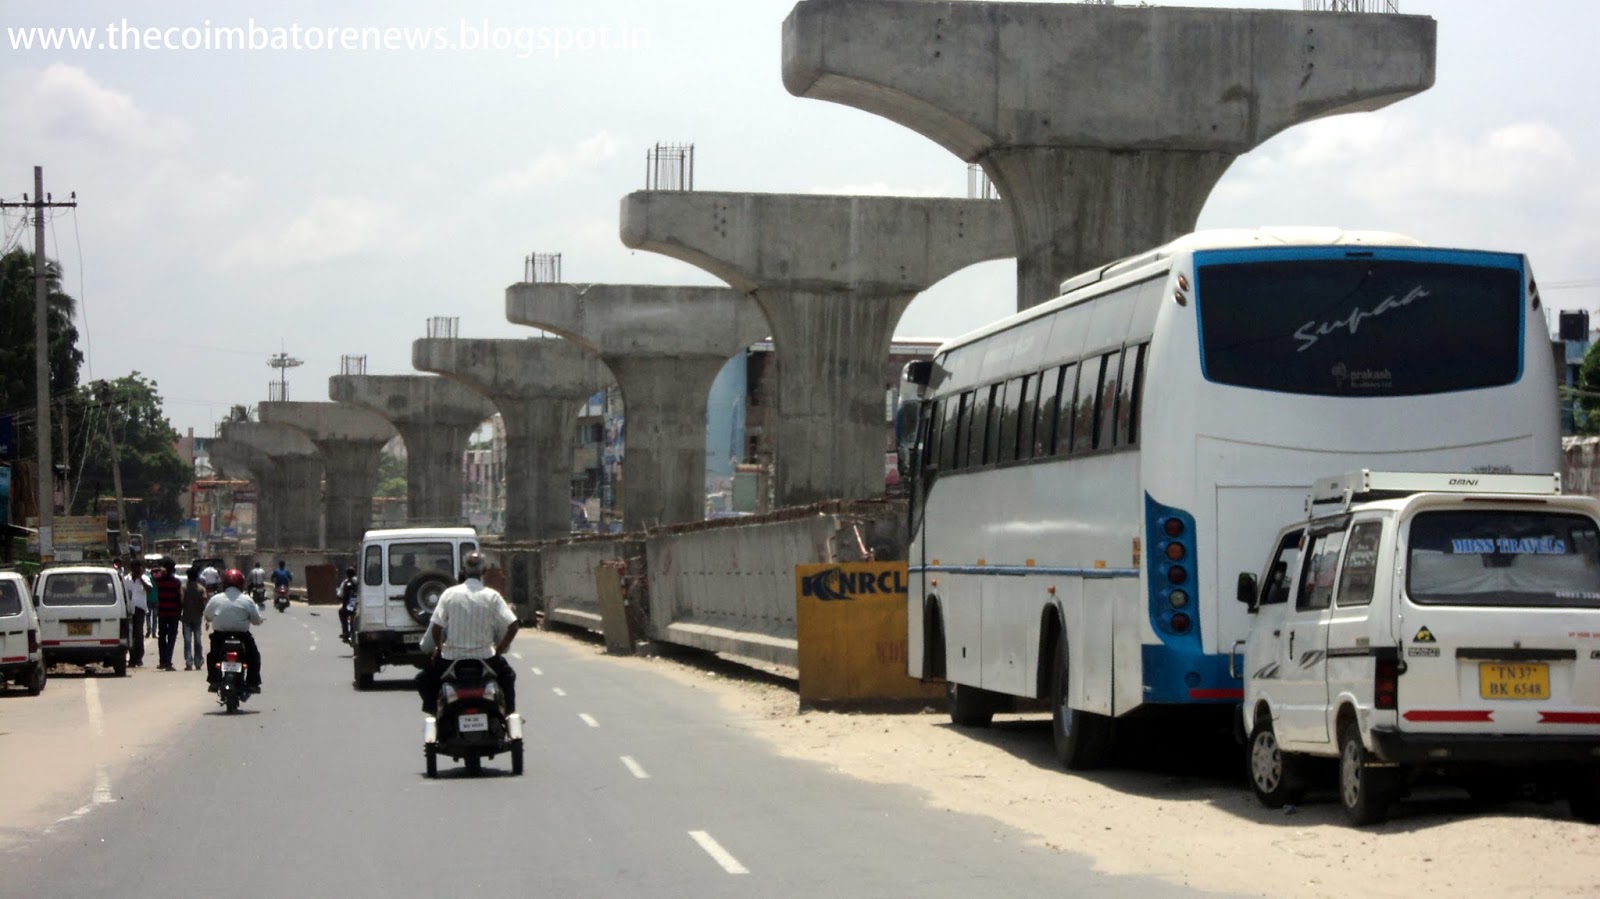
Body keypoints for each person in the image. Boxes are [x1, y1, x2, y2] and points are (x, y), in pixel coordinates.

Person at [415, 551, 518, 716]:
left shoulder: (449, 595)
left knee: (422, 679)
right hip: (486, 658)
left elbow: (436, 628)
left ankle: (434, 714)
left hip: (451, 659)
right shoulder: (492, 596)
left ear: (464, 570)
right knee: (508, 676)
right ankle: (509, 714)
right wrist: (499, 650)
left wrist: (439, 649)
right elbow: (513, 625)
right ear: (483, 571)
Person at [204, 568, 263, 693]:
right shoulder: (247, 600)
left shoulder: (216, 599)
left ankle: (214, 681)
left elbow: (207, 615)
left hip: (220, 636)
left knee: (213, 656)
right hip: (242, 636)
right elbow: (257, 620)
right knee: (253, 656)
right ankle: (252, 683)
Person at [152, 558, 184, 671]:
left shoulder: (158, 581)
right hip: (173, 613)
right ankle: (168, 662)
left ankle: (163, 661)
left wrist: (160, 569)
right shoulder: (176, 582)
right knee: (171, 638)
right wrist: (180, 613)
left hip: (162, 613)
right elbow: (179, 599)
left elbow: (152, 572)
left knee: (162, 637)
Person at [180, 564, 208, 671]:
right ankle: (198, 661)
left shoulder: (183, 587)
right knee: (198, 641)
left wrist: (180, 613)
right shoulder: (201, 588)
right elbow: (204, 601)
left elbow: (181, 601)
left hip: (186, 617)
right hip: (197, 617)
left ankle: (188, 662)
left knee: (187, 641)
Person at [124, 559, 149, 668]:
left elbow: (149, 589)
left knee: (138, 633)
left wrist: (140, 579)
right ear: (132, 569)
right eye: (136, 569)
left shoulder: (145, 578)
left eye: (139, 568)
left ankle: (139, 657)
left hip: (140, 610)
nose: (138, 570)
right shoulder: (126, 579)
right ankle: (132, 658)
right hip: (129, 610)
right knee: (130, 634)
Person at [337, 566, 359, 643]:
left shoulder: (345, 582)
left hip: (348, 608)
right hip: (358, 607)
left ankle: (345, 632)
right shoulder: (359, 581)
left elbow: (340, 595)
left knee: (341, 612)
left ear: (347, 574)